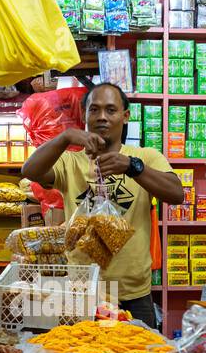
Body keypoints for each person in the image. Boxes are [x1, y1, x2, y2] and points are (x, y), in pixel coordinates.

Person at [20, 83, 184, 329]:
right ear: (85, 115)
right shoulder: (70, 162)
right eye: (94, 110)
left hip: (134, 294)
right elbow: (30, 170)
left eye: (111, 110)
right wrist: (65, 137)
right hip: (83, 291)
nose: (102, 117)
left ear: (125, 116)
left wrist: (131, 167)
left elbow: (176, 194)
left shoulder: (146, 157)